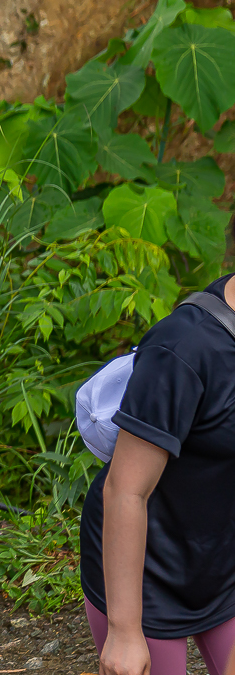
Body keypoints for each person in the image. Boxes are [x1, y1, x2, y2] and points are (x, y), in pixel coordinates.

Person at [80, 275, 235, 675]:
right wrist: (124, 631)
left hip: (221, 562)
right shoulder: (185, 348)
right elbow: (126, 491)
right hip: (145, 571)